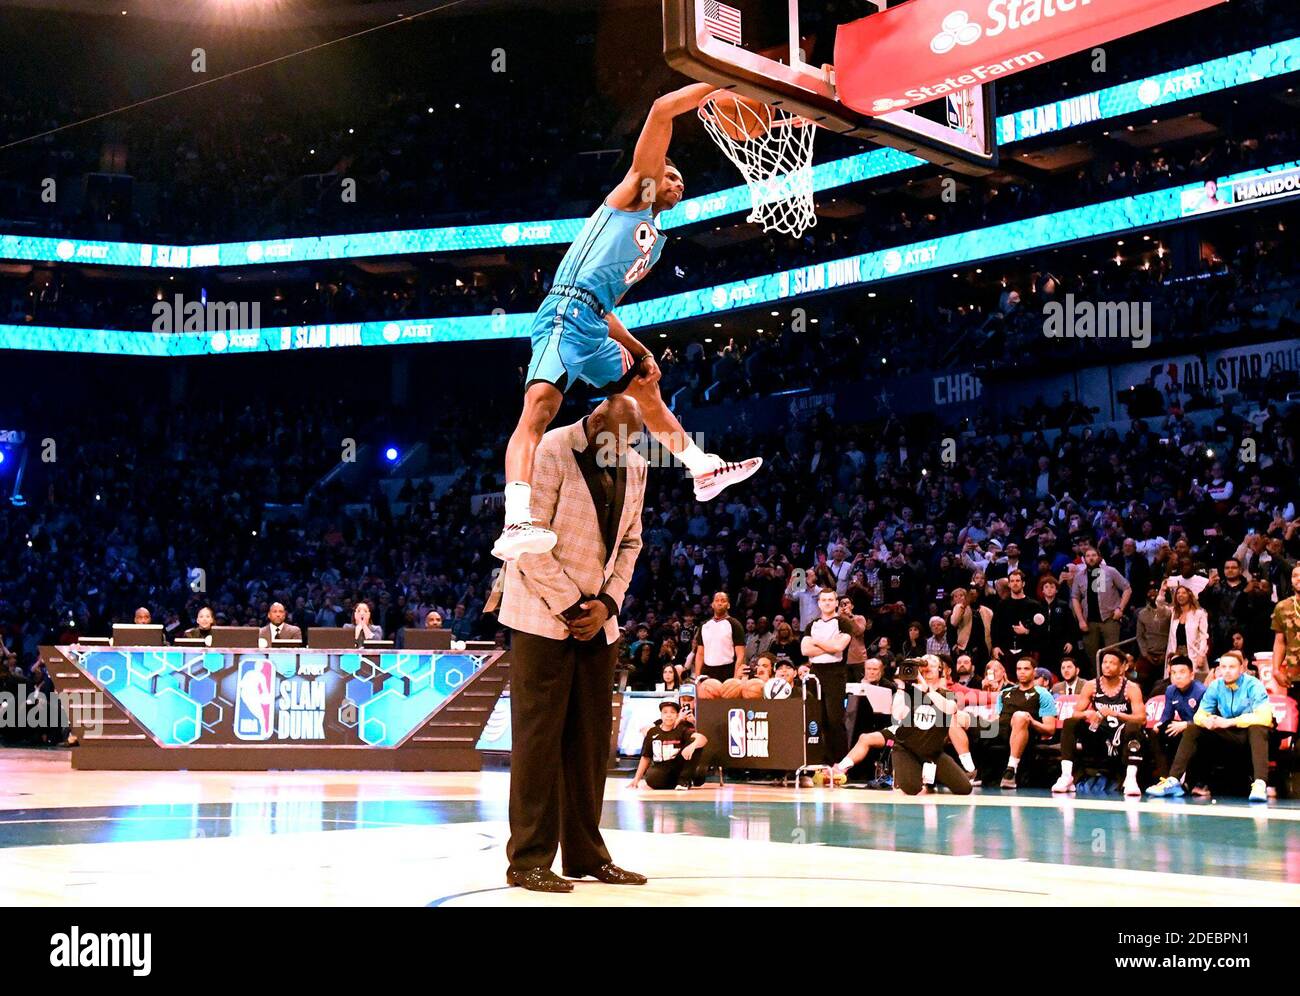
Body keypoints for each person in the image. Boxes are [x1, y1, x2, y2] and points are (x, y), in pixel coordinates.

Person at [494, 82, 761, 560]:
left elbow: (607, 303)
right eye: (672, 176)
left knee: (645, 390)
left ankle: (702, 468)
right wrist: (720, 80)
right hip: (563, 314)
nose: (676, 184)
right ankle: (516, 518)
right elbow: (661, 109)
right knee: (539, 409)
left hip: (595, 322)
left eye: (682, 183)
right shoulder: (632, 196)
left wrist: (640, 350)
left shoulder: (653, 241)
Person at [487, 396, 649, 893]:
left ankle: (585, 854)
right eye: (613, 442)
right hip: (540, 614)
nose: (620, 452)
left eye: (629, 445)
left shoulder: (636, 466)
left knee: (590, 743)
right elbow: (524, 539)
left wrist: (606, 604)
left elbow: (631, 543)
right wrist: (572, 604)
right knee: (538, 742)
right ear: (595, 420)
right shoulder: (549, 449)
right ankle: (529, 859)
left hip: (598, 621)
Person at [1147, 653, 1274, 802]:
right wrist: (1207, 721)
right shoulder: (1216, 685)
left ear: (1241, 668)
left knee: (1257, 727)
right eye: (1223, 667)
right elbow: (1199, 716)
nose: (1227, 671)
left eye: (1232, 667)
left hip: (1252, 736)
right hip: (1229, 737)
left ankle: (1260, 784)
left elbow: (1265, 717)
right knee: (1194, 728)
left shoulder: (1253, 684)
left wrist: (1229, 722)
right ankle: (1173, 781)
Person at [1052, 650, 1146, 796]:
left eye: (1112, 663)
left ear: (1122, 668)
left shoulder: (1131, 688)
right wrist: (1086, 713)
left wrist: (1116, 713)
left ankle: (1130, 779)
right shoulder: (1091, 686)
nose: (1107, 666)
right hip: (1098, 733)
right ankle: (1066, 776)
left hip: (1120, 734)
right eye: (1105, 662)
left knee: (1133, 726)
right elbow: (1075, 713)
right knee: (1070, 722)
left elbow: (1142, 718)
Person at [800, 587, 854, 767]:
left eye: (831, 600)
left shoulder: (843, 623)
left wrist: (816, 642)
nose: (827, 603)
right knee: (817, 718)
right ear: (819, 603)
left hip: (835, 674)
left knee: (834, 719)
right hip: (815, 674)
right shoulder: (812, 625)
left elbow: (838, 648)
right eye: (824, 600)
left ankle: (839, 763)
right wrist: (827, 645)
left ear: (836, 602)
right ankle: (820, 761)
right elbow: (805, 650)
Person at [993, 657, 1059, 789]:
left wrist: (1031, 721)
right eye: (1019, 669)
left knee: (1019, 716)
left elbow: (1050, 729)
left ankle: (1011, 770)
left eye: (1026, 668)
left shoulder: (1043, 694)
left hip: (1025, 733)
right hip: (1000, 731)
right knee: (961, 717)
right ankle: (970, 769)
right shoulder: (1004, 693)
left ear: (1034, 672)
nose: (1022, 672)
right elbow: (996, 720)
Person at [1071, 547, 1130, 678]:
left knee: (1113, 655)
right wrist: (1080, 620)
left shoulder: (1110, 571)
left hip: (1109, 619)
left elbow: (1127, 589)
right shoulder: (1079, 576)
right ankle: (1098, 684)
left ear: (1099, 557)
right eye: (1088, 556)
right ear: (1084, 559)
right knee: (1092, 657)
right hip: (1089, 622)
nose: (1091, 558)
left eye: (1093, 555)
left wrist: (1120, 608)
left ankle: (1117, 682)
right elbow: (1075, 597)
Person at [1150, 655, 1207, 789]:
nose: (1177, 676)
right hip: (1182, 728)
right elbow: (1166, 715)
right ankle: (1165, 779)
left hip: (1200, 731)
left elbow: (1206, 719)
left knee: (1191, 733)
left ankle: (1182, 779)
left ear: (1192, 675)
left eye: (1182, 672)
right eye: (1173, 673)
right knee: (1155, 733)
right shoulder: (1170, 690)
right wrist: (1159, 726)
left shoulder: (1201, 691)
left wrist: (1187, 724)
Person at [629, 700, 708, 791]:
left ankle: (684, 781)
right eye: (665, 712)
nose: (669, 715)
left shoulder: (682, 729)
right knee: (653, 777)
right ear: (661, 715)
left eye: (672, 712)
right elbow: (646, 757)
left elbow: (702, 738)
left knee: (695, 742)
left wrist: (693, 745)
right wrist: (636, 779)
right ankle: (687, 779)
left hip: (678, 767)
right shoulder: (653, 731)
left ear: (677, 715)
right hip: (661, 769)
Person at [689, 591, 746, 699]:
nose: (720, 603)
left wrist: (735, 678)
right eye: (717, 600)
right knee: (709, 708)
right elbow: (700, 654)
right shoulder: (705, 625)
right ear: (712, 604)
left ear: (728, 605)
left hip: (728, 671)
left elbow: (741, 654)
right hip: (707, 672)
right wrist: (697, 678)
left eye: (723, 601)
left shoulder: (735, 624)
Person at [1165, 583, 1209, 679]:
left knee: (1194, 682)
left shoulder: (1199, 613)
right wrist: (1162, 591)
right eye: (1178, 593)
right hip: (1176, 654)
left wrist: (1201, 654)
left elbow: (1203, 636)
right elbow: (1159, 608)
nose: (1180, 595)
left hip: (1193, 654)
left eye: (1184, 593)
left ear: (1189, 595)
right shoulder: (1173, 613)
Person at [1270, 564, 1300, 688]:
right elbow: (1280, 641)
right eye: (1295, 576)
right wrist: (1276, 669)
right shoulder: (1282, 607)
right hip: (1295, 676)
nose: (1298, 579)